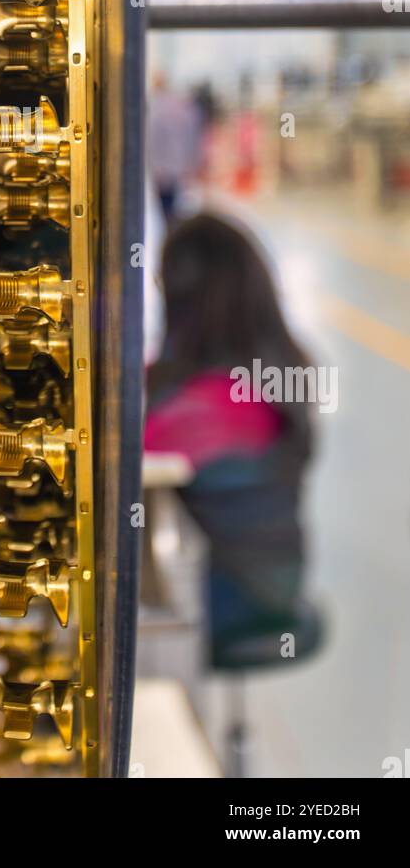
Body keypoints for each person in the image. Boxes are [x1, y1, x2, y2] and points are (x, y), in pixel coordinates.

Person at [145, 213, 314, 661]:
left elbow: (125, 452)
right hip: (275, 584)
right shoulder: (276, 372)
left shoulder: (213, 404)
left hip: (235, 603)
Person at [147, 71, 202, 220]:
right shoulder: (181, 107)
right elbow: (192, 135)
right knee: (177, 206)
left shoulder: (157, 109)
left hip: (164, 168)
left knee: (168, 208)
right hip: (179, 165)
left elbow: (153, 140)